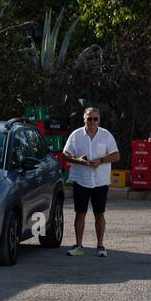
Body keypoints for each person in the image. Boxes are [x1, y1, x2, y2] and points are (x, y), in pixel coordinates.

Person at [62, 106, 120, 257]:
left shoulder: (106, 135)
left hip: (100, 181)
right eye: (89, 118)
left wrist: (101, 160)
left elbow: (116, 155)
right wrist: (78, 160)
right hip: (81, 179)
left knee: (99, 213)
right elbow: (65, 154)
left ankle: (100, 246)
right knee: (80, 213)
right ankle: (78, 245)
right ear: (84, 119)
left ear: (99, 120)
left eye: (95, 119)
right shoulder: (76, 135)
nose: (92, 121)